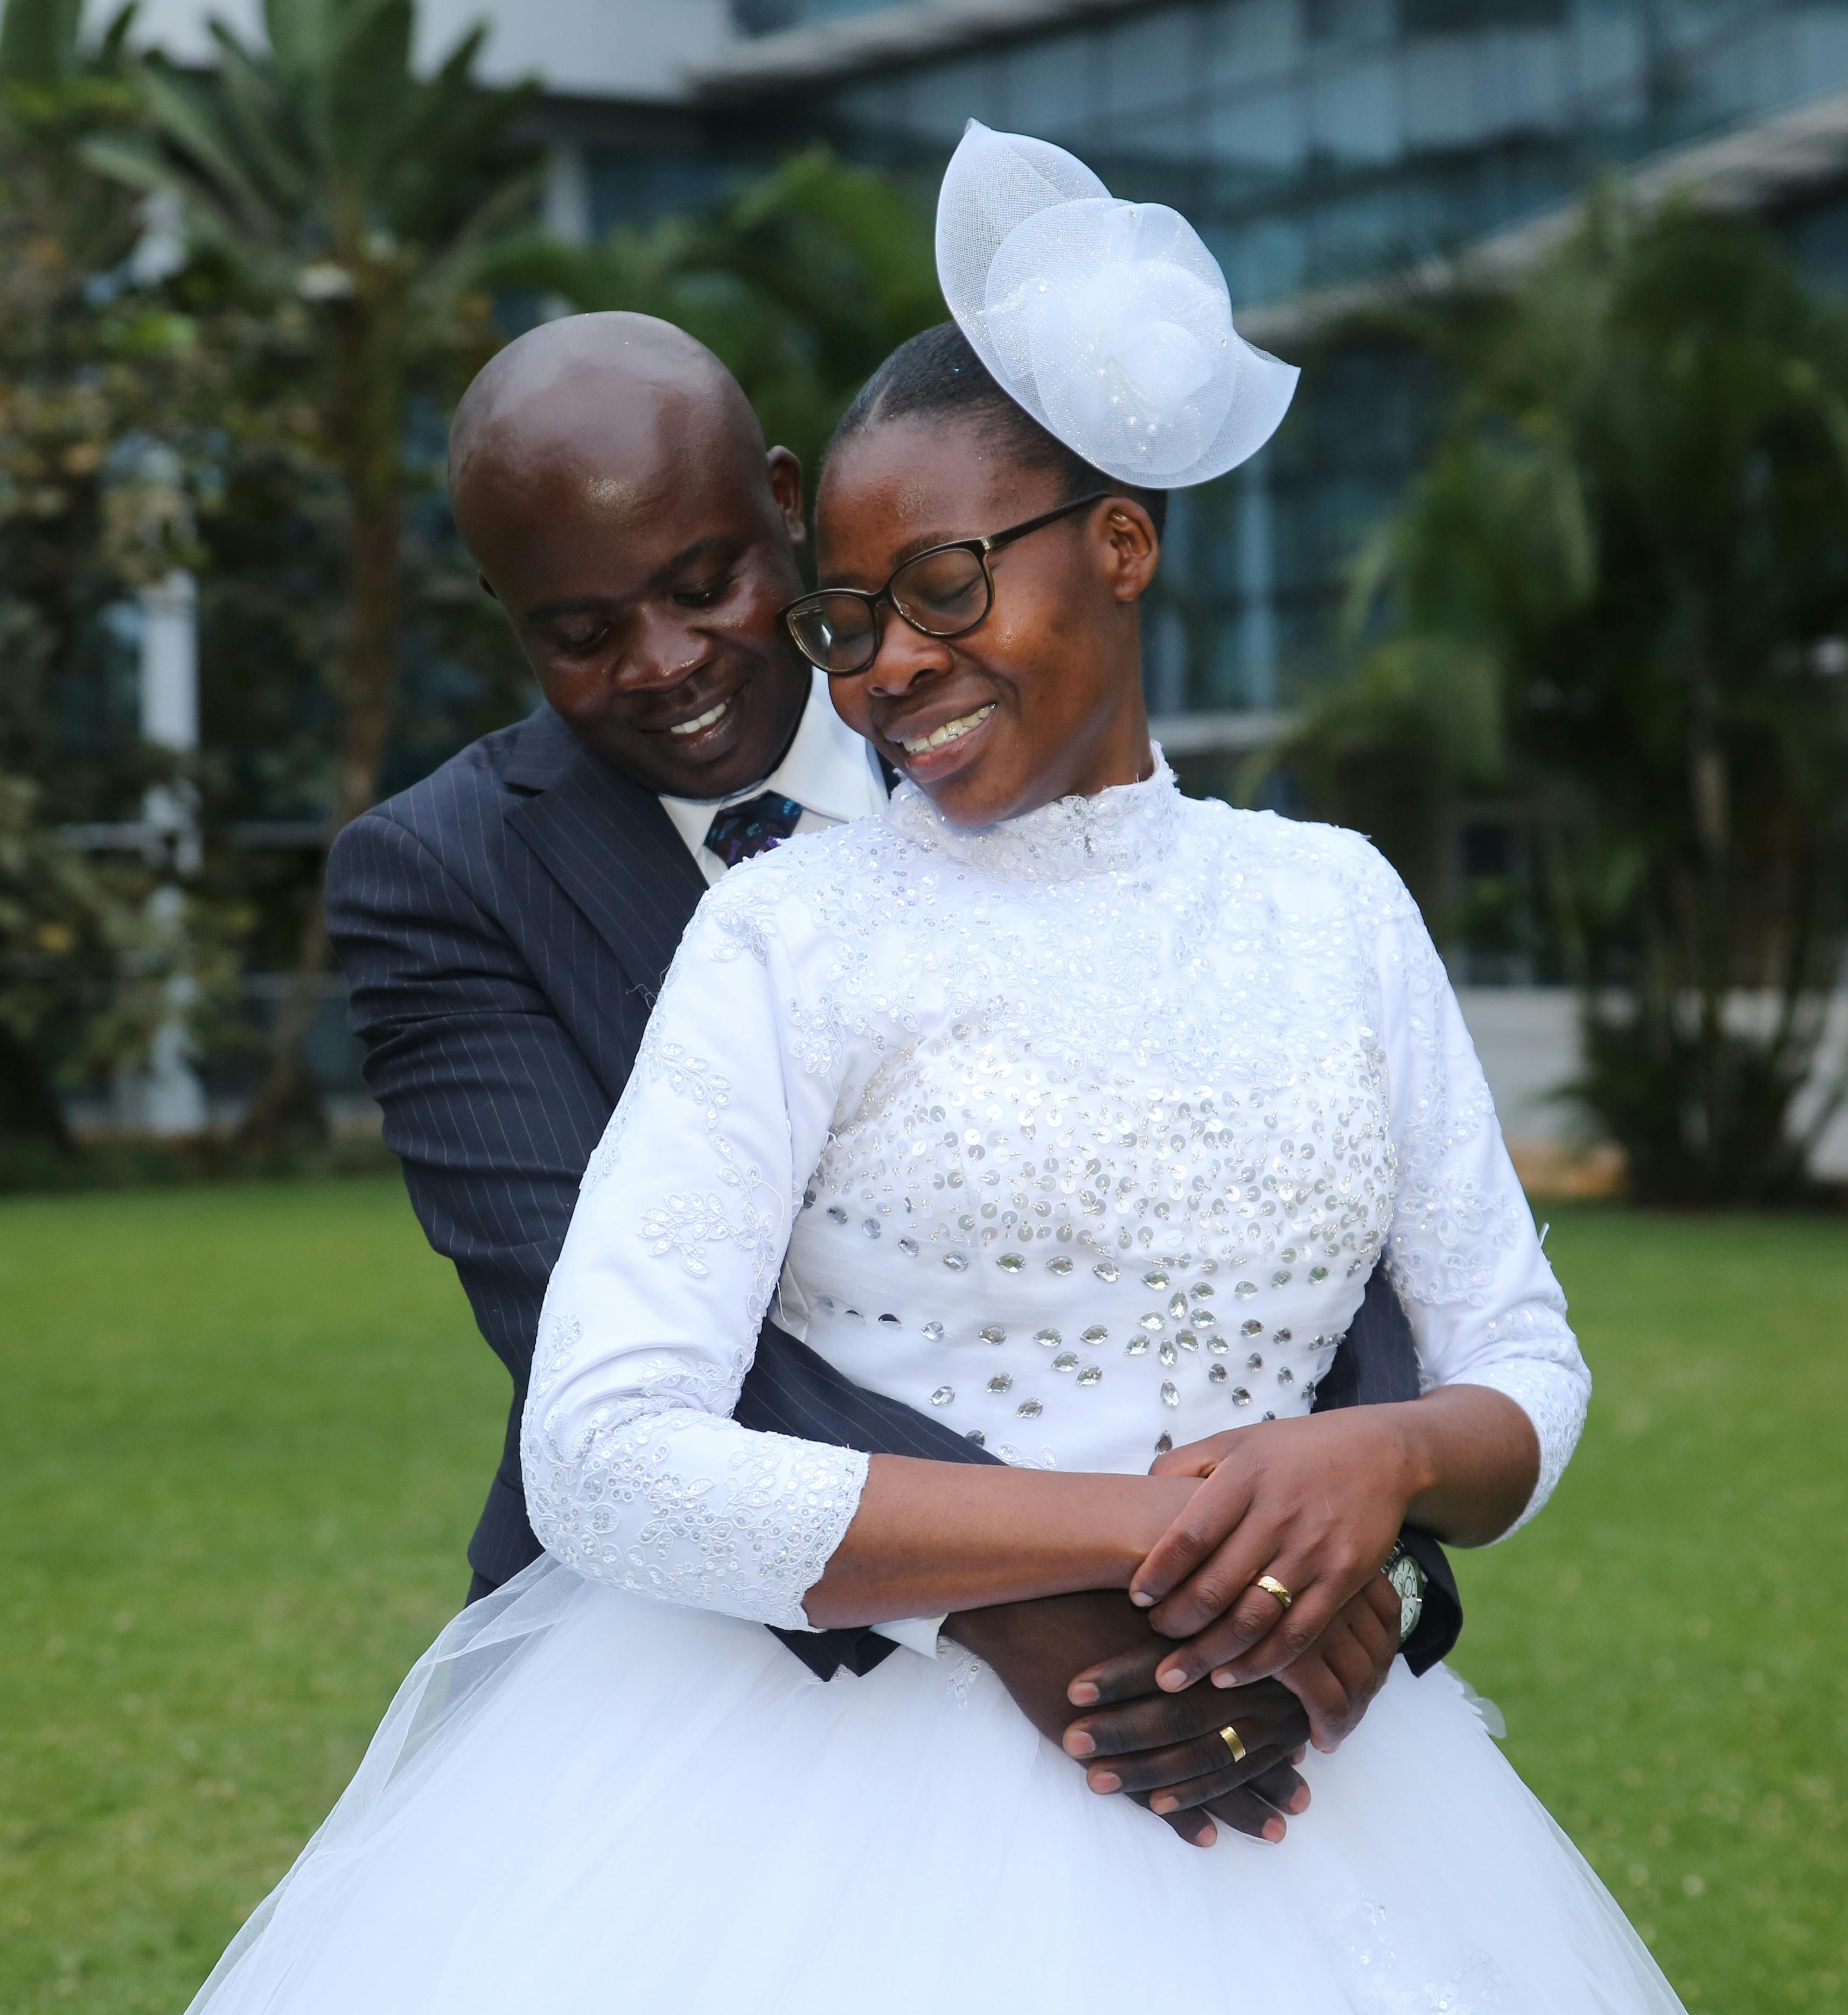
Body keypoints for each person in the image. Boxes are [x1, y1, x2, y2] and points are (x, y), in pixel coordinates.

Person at [202, 124, 1683, 2013]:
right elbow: (609, 1388)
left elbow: (1470, 1333)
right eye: (585, 632)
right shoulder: (728, 921)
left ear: (1121, 547)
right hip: (784, 1728)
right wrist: (1135, 1557)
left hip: (1302, 1732)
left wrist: (1353, 1527)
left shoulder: (1334, 896)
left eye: (736, 588)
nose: (865, 669)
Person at [327, 316, 1470, 1838]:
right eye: (581, 630)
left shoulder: (1018, 717)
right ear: (507, 613)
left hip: (1229, 1631)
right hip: (724, 1668)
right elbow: (574, 1316)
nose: (665, 664)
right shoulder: (440, 874)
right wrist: (1021, 1592)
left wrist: (1339, 1539)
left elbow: (1268, 1153)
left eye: (703, 584)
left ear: (784, 505)